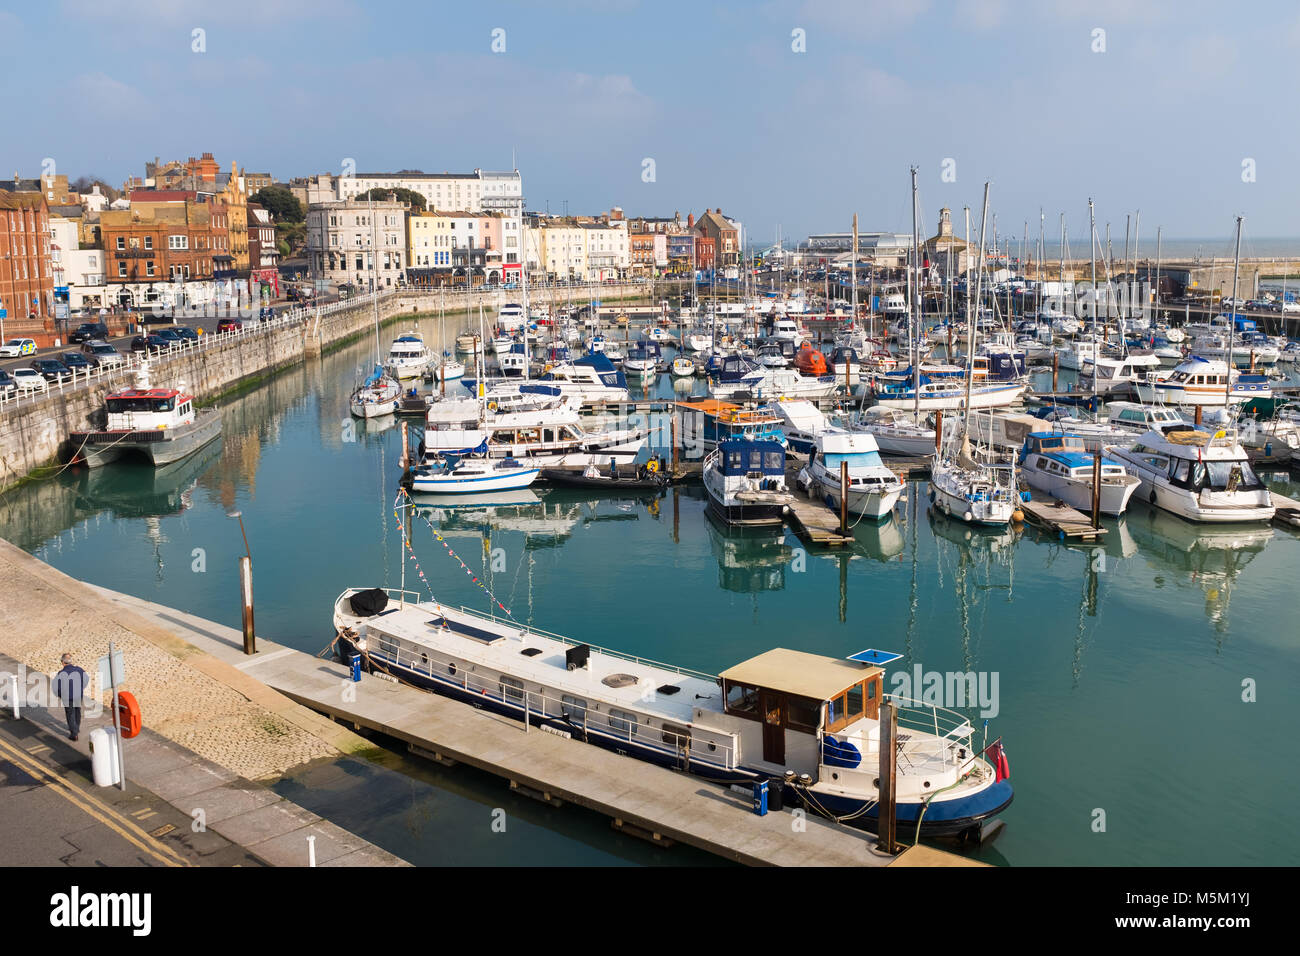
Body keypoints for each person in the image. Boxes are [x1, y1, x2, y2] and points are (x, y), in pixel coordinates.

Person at [52, 654, 88, 741]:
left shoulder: (61, 673)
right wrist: (81, 688)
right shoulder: (79, 670)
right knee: (77, 712)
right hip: (78, 695)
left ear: (63, 662)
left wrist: (60, 695)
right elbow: (86, 679)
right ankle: (76, 728)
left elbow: (56, 687)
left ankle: (74, 734)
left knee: (70, 714)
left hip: (67, 697)